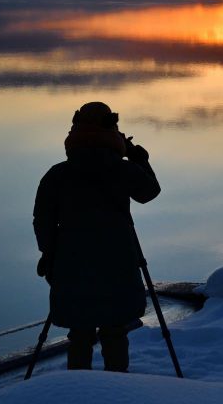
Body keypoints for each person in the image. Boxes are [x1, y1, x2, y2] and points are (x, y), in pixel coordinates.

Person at [33, 101, 161, 372]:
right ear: (112, 130)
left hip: (71, 264)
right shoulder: (121, 169)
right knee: (115, 332)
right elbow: (149, 192)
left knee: (79, 335)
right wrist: (139, 159)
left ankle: (81, 391)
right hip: (118, 262)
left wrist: (48, 254)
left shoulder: (58, 174)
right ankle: (115, 390)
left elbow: (42, 220)